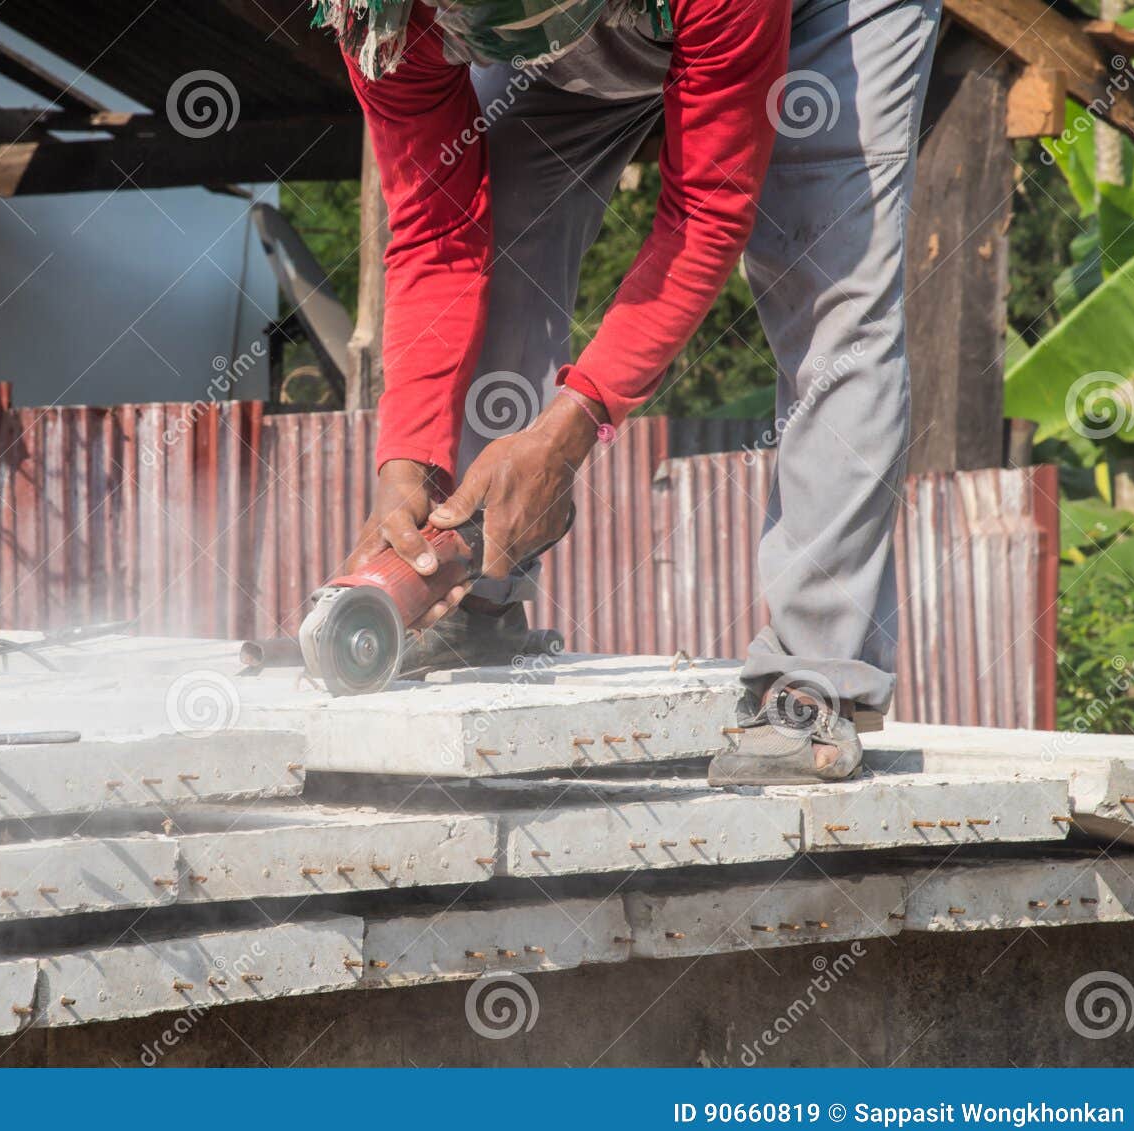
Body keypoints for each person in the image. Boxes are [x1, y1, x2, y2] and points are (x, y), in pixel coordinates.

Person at [313, 0, 940, 785]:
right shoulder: (381, 15)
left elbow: (707, 211)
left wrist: (570, 430)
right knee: (506, 209)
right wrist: (406, 463)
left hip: (817, 14)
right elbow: (437, 232)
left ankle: (816, 679)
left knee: (827, 284)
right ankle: (473, 585)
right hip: (601, 28)